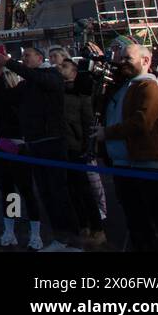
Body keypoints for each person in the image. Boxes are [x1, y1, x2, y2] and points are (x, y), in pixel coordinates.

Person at [94, 41, 158, 251]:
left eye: (128, 58)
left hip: (147, 164)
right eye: (121, 58)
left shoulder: (150, 86)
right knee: (137, 223)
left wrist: (106, 133)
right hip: (123, 164)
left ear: (145, 60)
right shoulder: (124, 87)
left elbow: (142, 122)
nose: (122, 62)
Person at [0, 45, 77, 249]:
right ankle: (59, 238)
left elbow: (38, 78)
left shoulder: (51, 75)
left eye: (27, 56)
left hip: (52, 141)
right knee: (44, 194)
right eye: (22, 57)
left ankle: (72, 240)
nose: (23, 60)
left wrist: (9, 63)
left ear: (40, 58)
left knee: (58, 193)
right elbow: (4, 99)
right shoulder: (26, 86)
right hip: (31, 144)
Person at [0, 69, 42, 248]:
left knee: (26, 190)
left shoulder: (20, 101)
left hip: (17, 147)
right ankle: (10, 230)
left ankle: (35, 232)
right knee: (9, 192)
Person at [56, 56, 104, 245]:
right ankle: (83, 225)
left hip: (77, 146)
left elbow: (88, 121)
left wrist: (89, 146)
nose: (60, 68)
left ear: (75, 72)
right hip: (63, 145)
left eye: (65, 66)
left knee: (84, 189)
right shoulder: (57, 91)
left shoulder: (82, 94)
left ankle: (97, 227)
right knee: (71, 190)